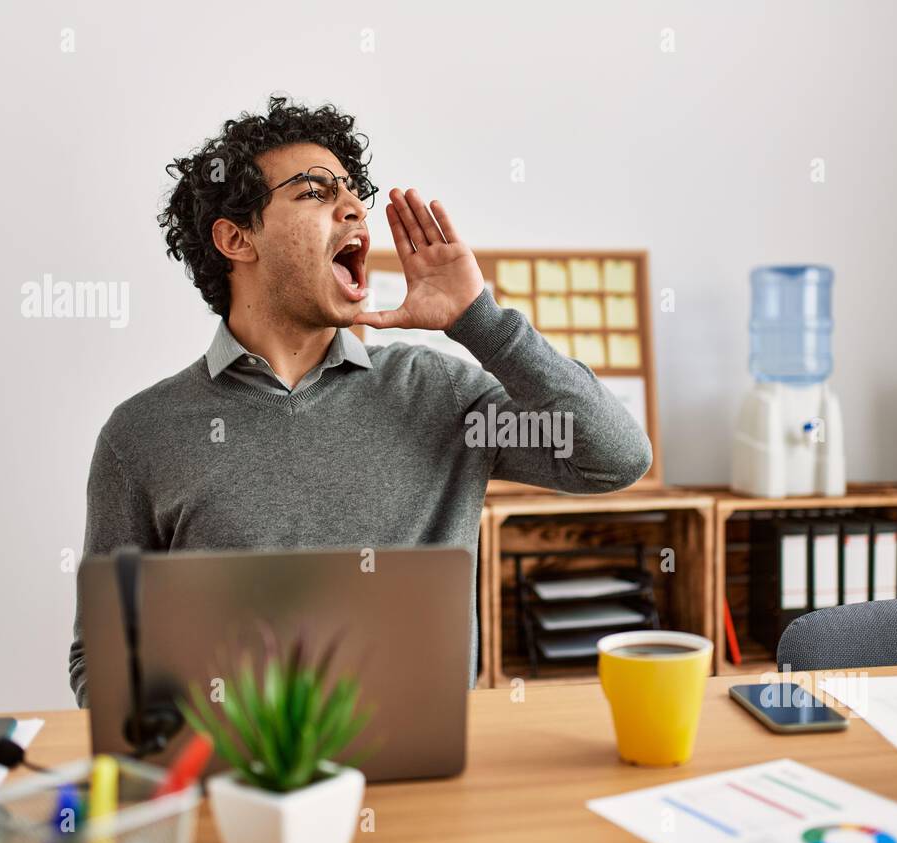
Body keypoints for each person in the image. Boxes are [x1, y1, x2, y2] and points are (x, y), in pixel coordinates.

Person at [69, 96, 652, 705]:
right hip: (238, 783)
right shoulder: (140, 435)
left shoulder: (439, 395)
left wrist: (480, 321)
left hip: (423, 779)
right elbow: (101, 659)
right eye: (314, 192)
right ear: (237, 238)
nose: (353, 209)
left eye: (351, 193)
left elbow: (615, 458)